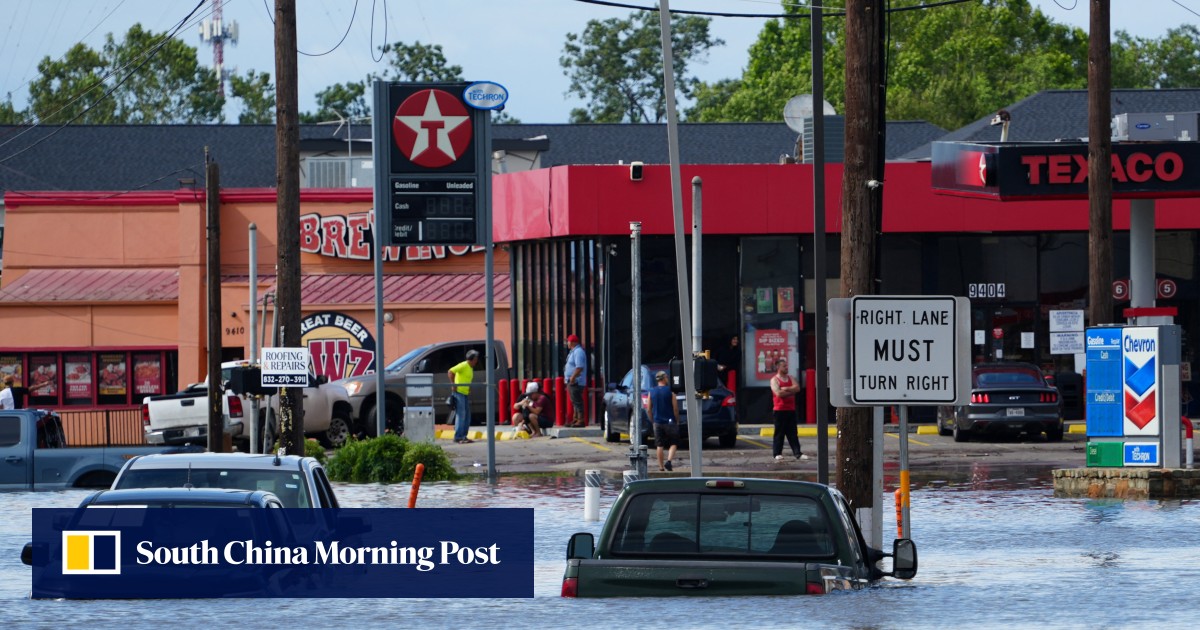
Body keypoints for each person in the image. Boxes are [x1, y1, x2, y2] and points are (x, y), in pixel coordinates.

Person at [770, 358, 807, 461]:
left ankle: (797, 453)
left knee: (793, 433)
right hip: (779, 410)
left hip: (791, 409)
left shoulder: (791, 378)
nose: (786, 368)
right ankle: (777, 453)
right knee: (779, 432)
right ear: (778, 367)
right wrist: (792, 391)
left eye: (786, 366)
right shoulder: (774, 380)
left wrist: (786, 389)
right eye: (784, 366)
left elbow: (797, 388)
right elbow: (778, 393)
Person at [647, 370, 680, 472]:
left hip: (657, 422)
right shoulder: (671, 391)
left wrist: (652, 420)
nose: (667, 378)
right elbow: (675, 408)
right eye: (666, 377)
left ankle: (661, 467)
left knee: (659, 445)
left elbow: (649, 409)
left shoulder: (651, 392)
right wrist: (677, 420)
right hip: (670, 421)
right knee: (674, 443)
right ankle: (669, 461)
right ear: (664, 378)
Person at [448, 349, 480, 444]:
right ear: (472, 359)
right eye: (476, 359)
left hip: (465, 393)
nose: (476, 361)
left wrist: (468, 387)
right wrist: (453, 384)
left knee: (467, 415)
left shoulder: (470, 368)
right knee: (461, 415)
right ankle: (458, 437)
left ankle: (463, 436)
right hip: (459, 393)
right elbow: (450, 371)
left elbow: (466, 379)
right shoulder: (463, 365)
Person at [563, 333, 587, 427]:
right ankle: (575, 419)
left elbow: (579, 367)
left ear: (573, 342)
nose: (567, 343)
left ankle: (580, 420)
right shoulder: (573, 352)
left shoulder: (578, 352)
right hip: (572, 381)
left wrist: (573, 377)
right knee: (574, 401)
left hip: (576, 381)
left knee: (577, 401)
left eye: (568, 341)